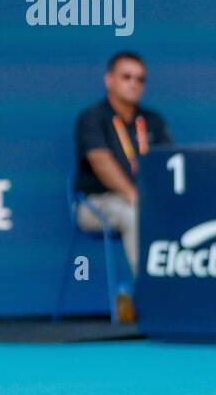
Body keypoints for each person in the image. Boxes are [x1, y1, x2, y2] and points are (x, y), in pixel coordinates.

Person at [74, 50, 173, 317]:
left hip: (146, 201)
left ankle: (180, 295)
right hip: (96, 204)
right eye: (126, 77)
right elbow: (100, 161)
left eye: (140, 79)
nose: (134, 83)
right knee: (133, 214)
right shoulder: (92, 117)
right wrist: (133, 195)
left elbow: (168, 164)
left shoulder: (153, 121)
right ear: (110, 80)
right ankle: (156, 300)